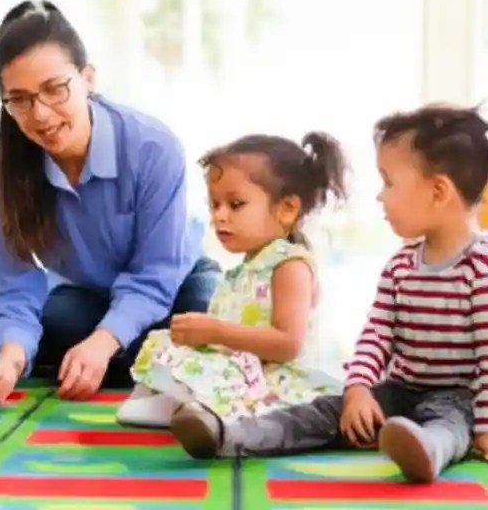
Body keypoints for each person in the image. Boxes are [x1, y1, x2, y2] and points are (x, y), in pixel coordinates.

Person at [168, 105, 488, 482]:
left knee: (457, 430)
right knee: (324, 414)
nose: (379, 196)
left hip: (460, 397)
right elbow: (378, 332)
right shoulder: (402, 263)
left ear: (438, 193)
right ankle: (229, 435)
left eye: (388, 183)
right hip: (400, 389)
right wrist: (357, 389)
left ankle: (426, 451)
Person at [0, 0, 219, 404]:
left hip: (176, 284)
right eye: (19, 99)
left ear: (88, 78)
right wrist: (11, 358)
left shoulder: (152, 148)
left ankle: (139, 359)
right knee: (55, 326)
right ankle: (150, 363)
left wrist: (104, 342)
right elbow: (16, 289)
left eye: (55, 89)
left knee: (205, 318)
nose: (40, 115)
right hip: (89, 295)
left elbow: (158, 271)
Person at [119, 132, 347, 427]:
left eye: (235, 204)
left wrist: (216, 332)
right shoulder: (246, 267)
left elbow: (288, 343)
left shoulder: (290, 265)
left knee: (198, 365)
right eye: (215, 205)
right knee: (164, 343)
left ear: (287, 209)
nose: (220, 216)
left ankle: (192, 408)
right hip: (242, 368)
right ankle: (175, 401)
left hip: (273, 380)